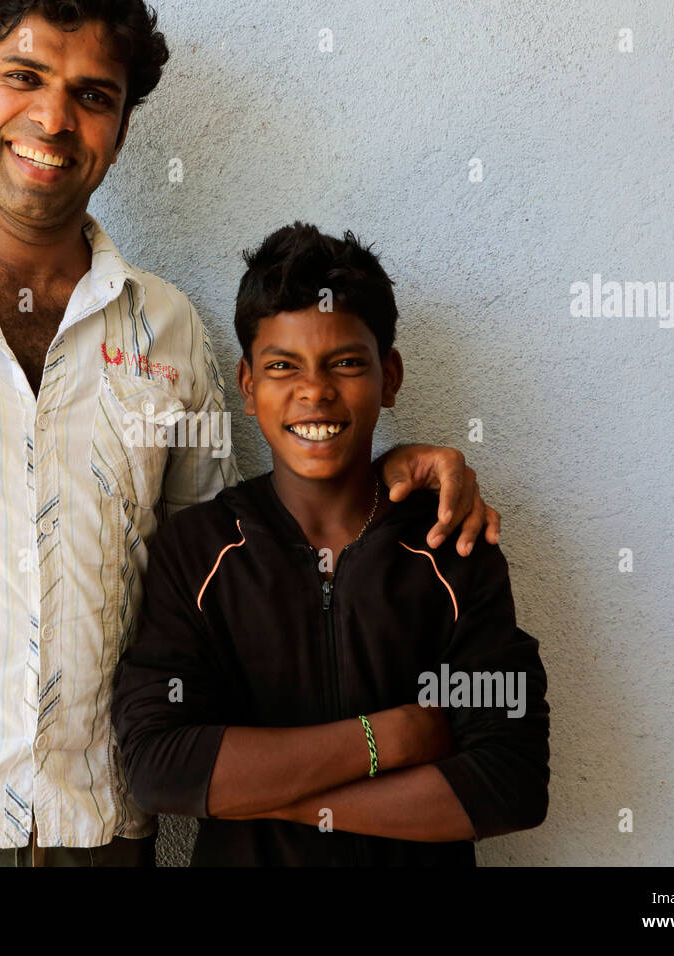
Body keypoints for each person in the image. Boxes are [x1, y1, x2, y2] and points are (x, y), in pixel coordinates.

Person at [0, 1, 501, 867]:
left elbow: (233, 561)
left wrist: (383, 470)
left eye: (92, 95)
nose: (52, 119)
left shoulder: (166, 329)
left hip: (99, 842)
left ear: (120, 134)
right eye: (23, 77)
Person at [111, 223, 548, 865]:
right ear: (249, 384)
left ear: (389, 376)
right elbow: (158, 767)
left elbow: (509, 784)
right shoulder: (198, 551)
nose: (314, 391)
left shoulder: (452, 546)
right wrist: (389, 738)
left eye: (345, 363)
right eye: (283, 366)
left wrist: (260, 792)